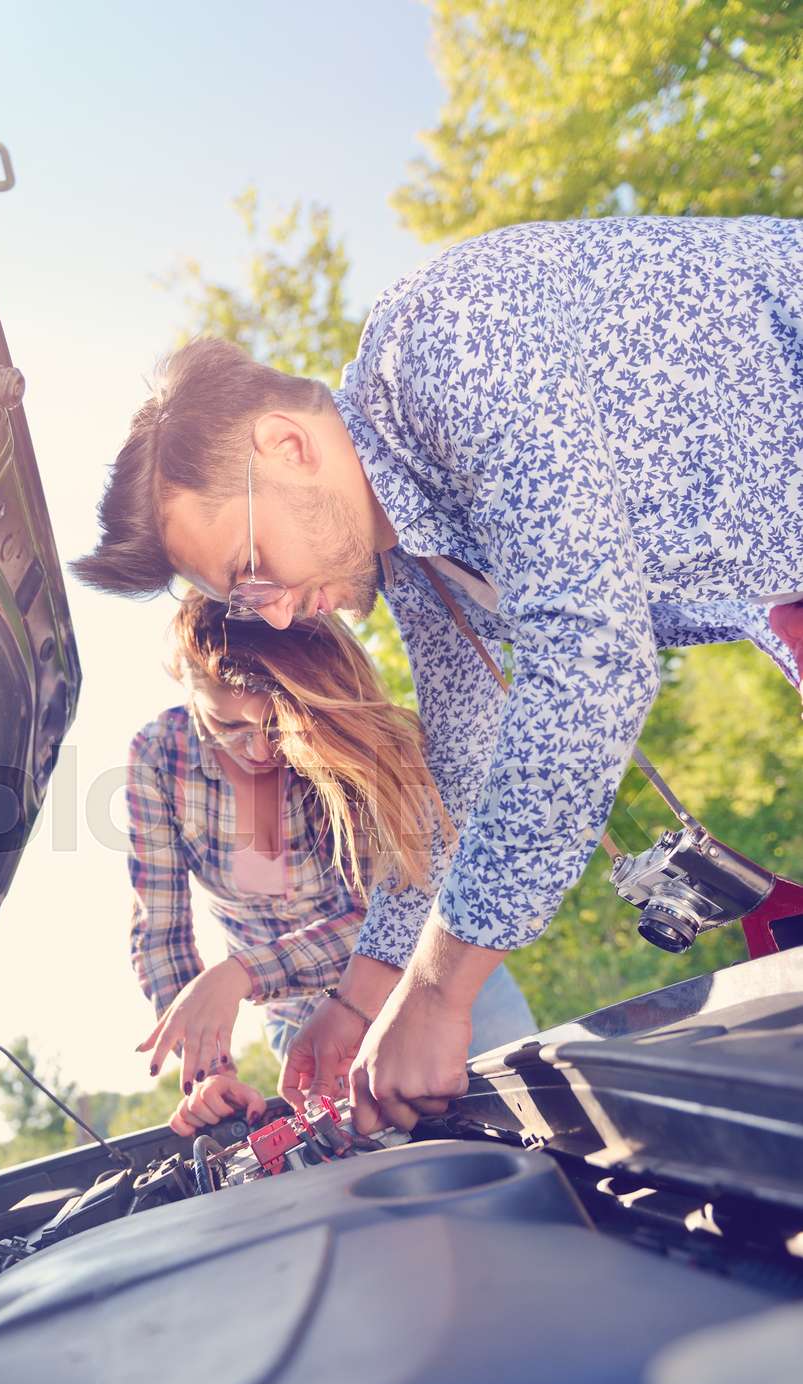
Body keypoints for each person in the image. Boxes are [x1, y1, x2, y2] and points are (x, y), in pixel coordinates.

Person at [76, 213, 803, 1135]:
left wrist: (436, 993)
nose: (268, 612)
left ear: (285, 447)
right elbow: (459, 783)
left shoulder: (439, 345)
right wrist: (355, 1008)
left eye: (251, 566)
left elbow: (590, 660)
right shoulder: (423, 567)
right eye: (239, 598)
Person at [126, 594, 534, 1134]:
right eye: (228, 725)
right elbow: (161, 933)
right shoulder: (159, 757)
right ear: (186, 686)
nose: (259, 753)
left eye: (275, 725)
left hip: (441, 987)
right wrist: (208, 1071)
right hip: (306, 1035)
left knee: (532, 1144)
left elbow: (400, 908)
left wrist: (246, 971)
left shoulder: (371, 742)